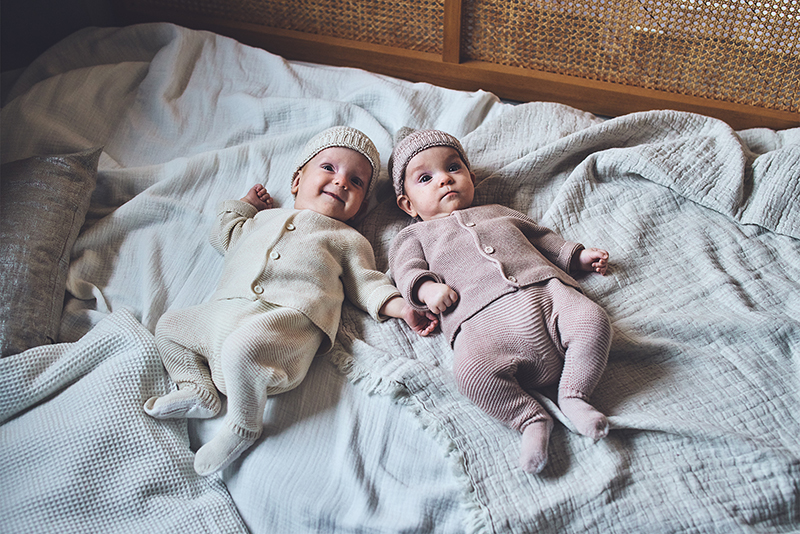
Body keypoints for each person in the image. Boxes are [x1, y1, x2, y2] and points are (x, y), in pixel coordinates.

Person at [145, 126, 438, 476]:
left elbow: (367, 284)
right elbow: (223, 234)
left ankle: (243, 424)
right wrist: (246, 206)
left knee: (241, 350)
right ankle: (197, 388)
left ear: (360, 209)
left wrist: (403, 308)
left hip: (286, 323)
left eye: (356, 181)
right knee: (170, 326)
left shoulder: (347, 239)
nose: (341, 181)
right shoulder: (262, 220)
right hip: (222, 312)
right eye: (328, 168)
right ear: (297, 180)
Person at [387, 128, 612, 474]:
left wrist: (577, 256)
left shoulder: (498, 212)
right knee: (471, 374)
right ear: (407, 204)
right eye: (426, 178)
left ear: (472, 178)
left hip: (545, 293)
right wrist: (427, 290)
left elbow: (543, 239)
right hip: (479, 322)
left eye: (453, 168)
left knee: (592, 321)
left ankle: (573, 394)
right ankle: (529, 418)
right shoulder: (412, 236)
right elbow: (406, 272)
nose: (444, 179)